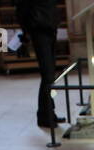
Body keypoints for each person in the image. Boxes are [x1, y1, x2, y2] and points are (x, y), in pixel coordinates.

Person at [15, 0, 62, 129]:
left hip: (50, 28)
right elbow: (22, 10)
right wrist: (27, 31)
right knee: (47, 75)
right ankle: (44, 117)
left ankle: (49, 113)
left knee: (50, 75)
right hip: (40, 31)